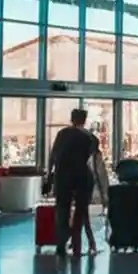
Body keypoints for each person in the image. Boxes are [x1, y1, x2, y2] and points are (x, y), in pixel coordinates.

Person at [46, 109, 100, 258]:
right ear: (84, 120)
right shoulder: (90, 137)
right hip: (82, 176)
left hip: (63, 177)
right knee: (80, 212)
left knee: (62, 210)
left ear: (71, 118)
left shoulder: (62, 134)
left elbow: (53, 156)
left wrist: (49, 176)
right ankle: (77, 246)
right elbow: (94, 161)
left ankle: (61, 244)